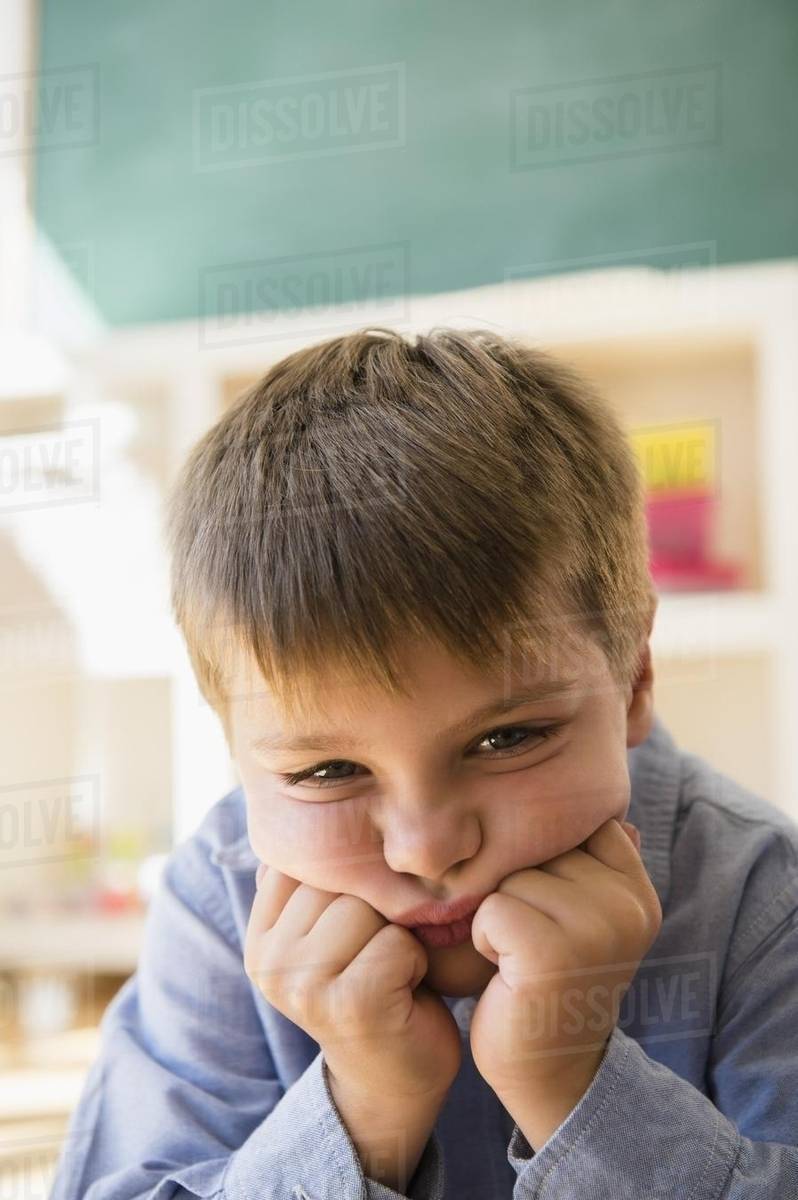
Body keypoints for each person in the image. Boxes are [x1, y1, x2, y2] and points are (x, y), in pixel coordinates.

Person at [50, 329, 798, 1198]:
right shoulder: (219, 902)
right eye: (328, 772)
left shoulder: (759, 896)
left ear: (634, 680)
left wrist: (574, 1083)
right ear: (234, 751)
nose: (425, 850)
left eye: (507, 739)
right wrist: (367, 1102)